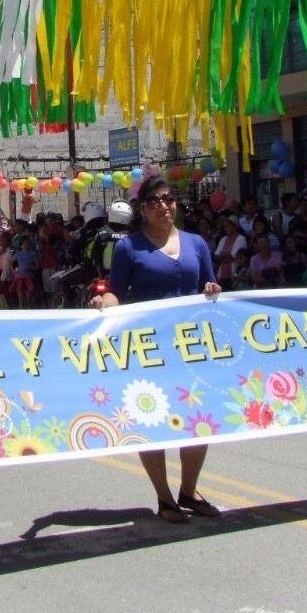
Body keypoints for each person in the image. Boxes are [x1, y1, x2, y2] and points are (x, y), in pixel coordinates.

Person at [89, 175, 222, 524]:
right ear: (142, 210)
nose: (163, 206)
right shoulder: (129, 248)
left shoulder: (196, 243)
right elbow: (117, 290)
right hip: (149, 348)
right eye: (154, 201)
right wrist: (106, 301)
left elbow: (209, 284)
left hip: (192, 345)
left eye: (168, 199)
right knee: (153, 419)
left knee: (198, 419)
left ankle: (189, 491)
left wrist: (212, 288)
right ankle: (164, 498)